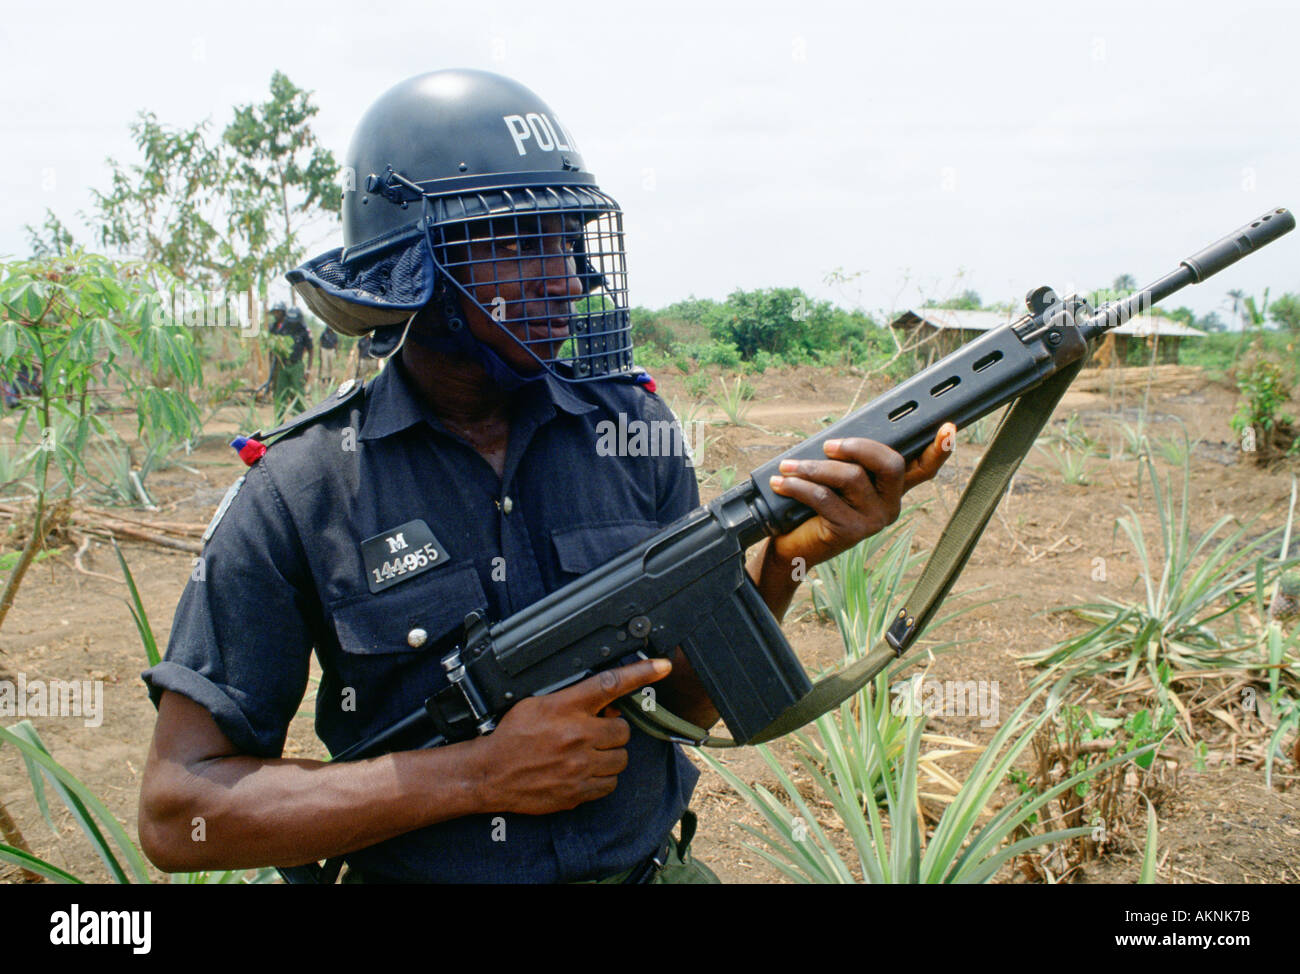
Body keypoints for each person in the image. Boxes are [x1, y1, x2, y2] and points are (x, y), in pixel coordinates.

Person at [137, 69, 953, 883]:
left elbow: (684, 706)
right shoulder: (302, 490)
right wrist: (476, 776)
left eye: (567, 241)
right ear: (414, 260)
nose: (567, 279)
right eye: (524, 242)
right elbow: (179, 815)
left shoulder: (632, 433)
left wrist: (789, 555)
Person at [267, 306, 314, 419]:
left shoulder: (303, 331)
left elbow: (311, 350)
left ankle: (300, 422)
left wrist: (308, 370)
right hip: (282, 367)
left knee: (298, 394)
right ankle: (278, 423)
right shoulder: (283, 330)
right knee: (280, 395)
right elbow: (274, 349)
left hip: (297, 366)